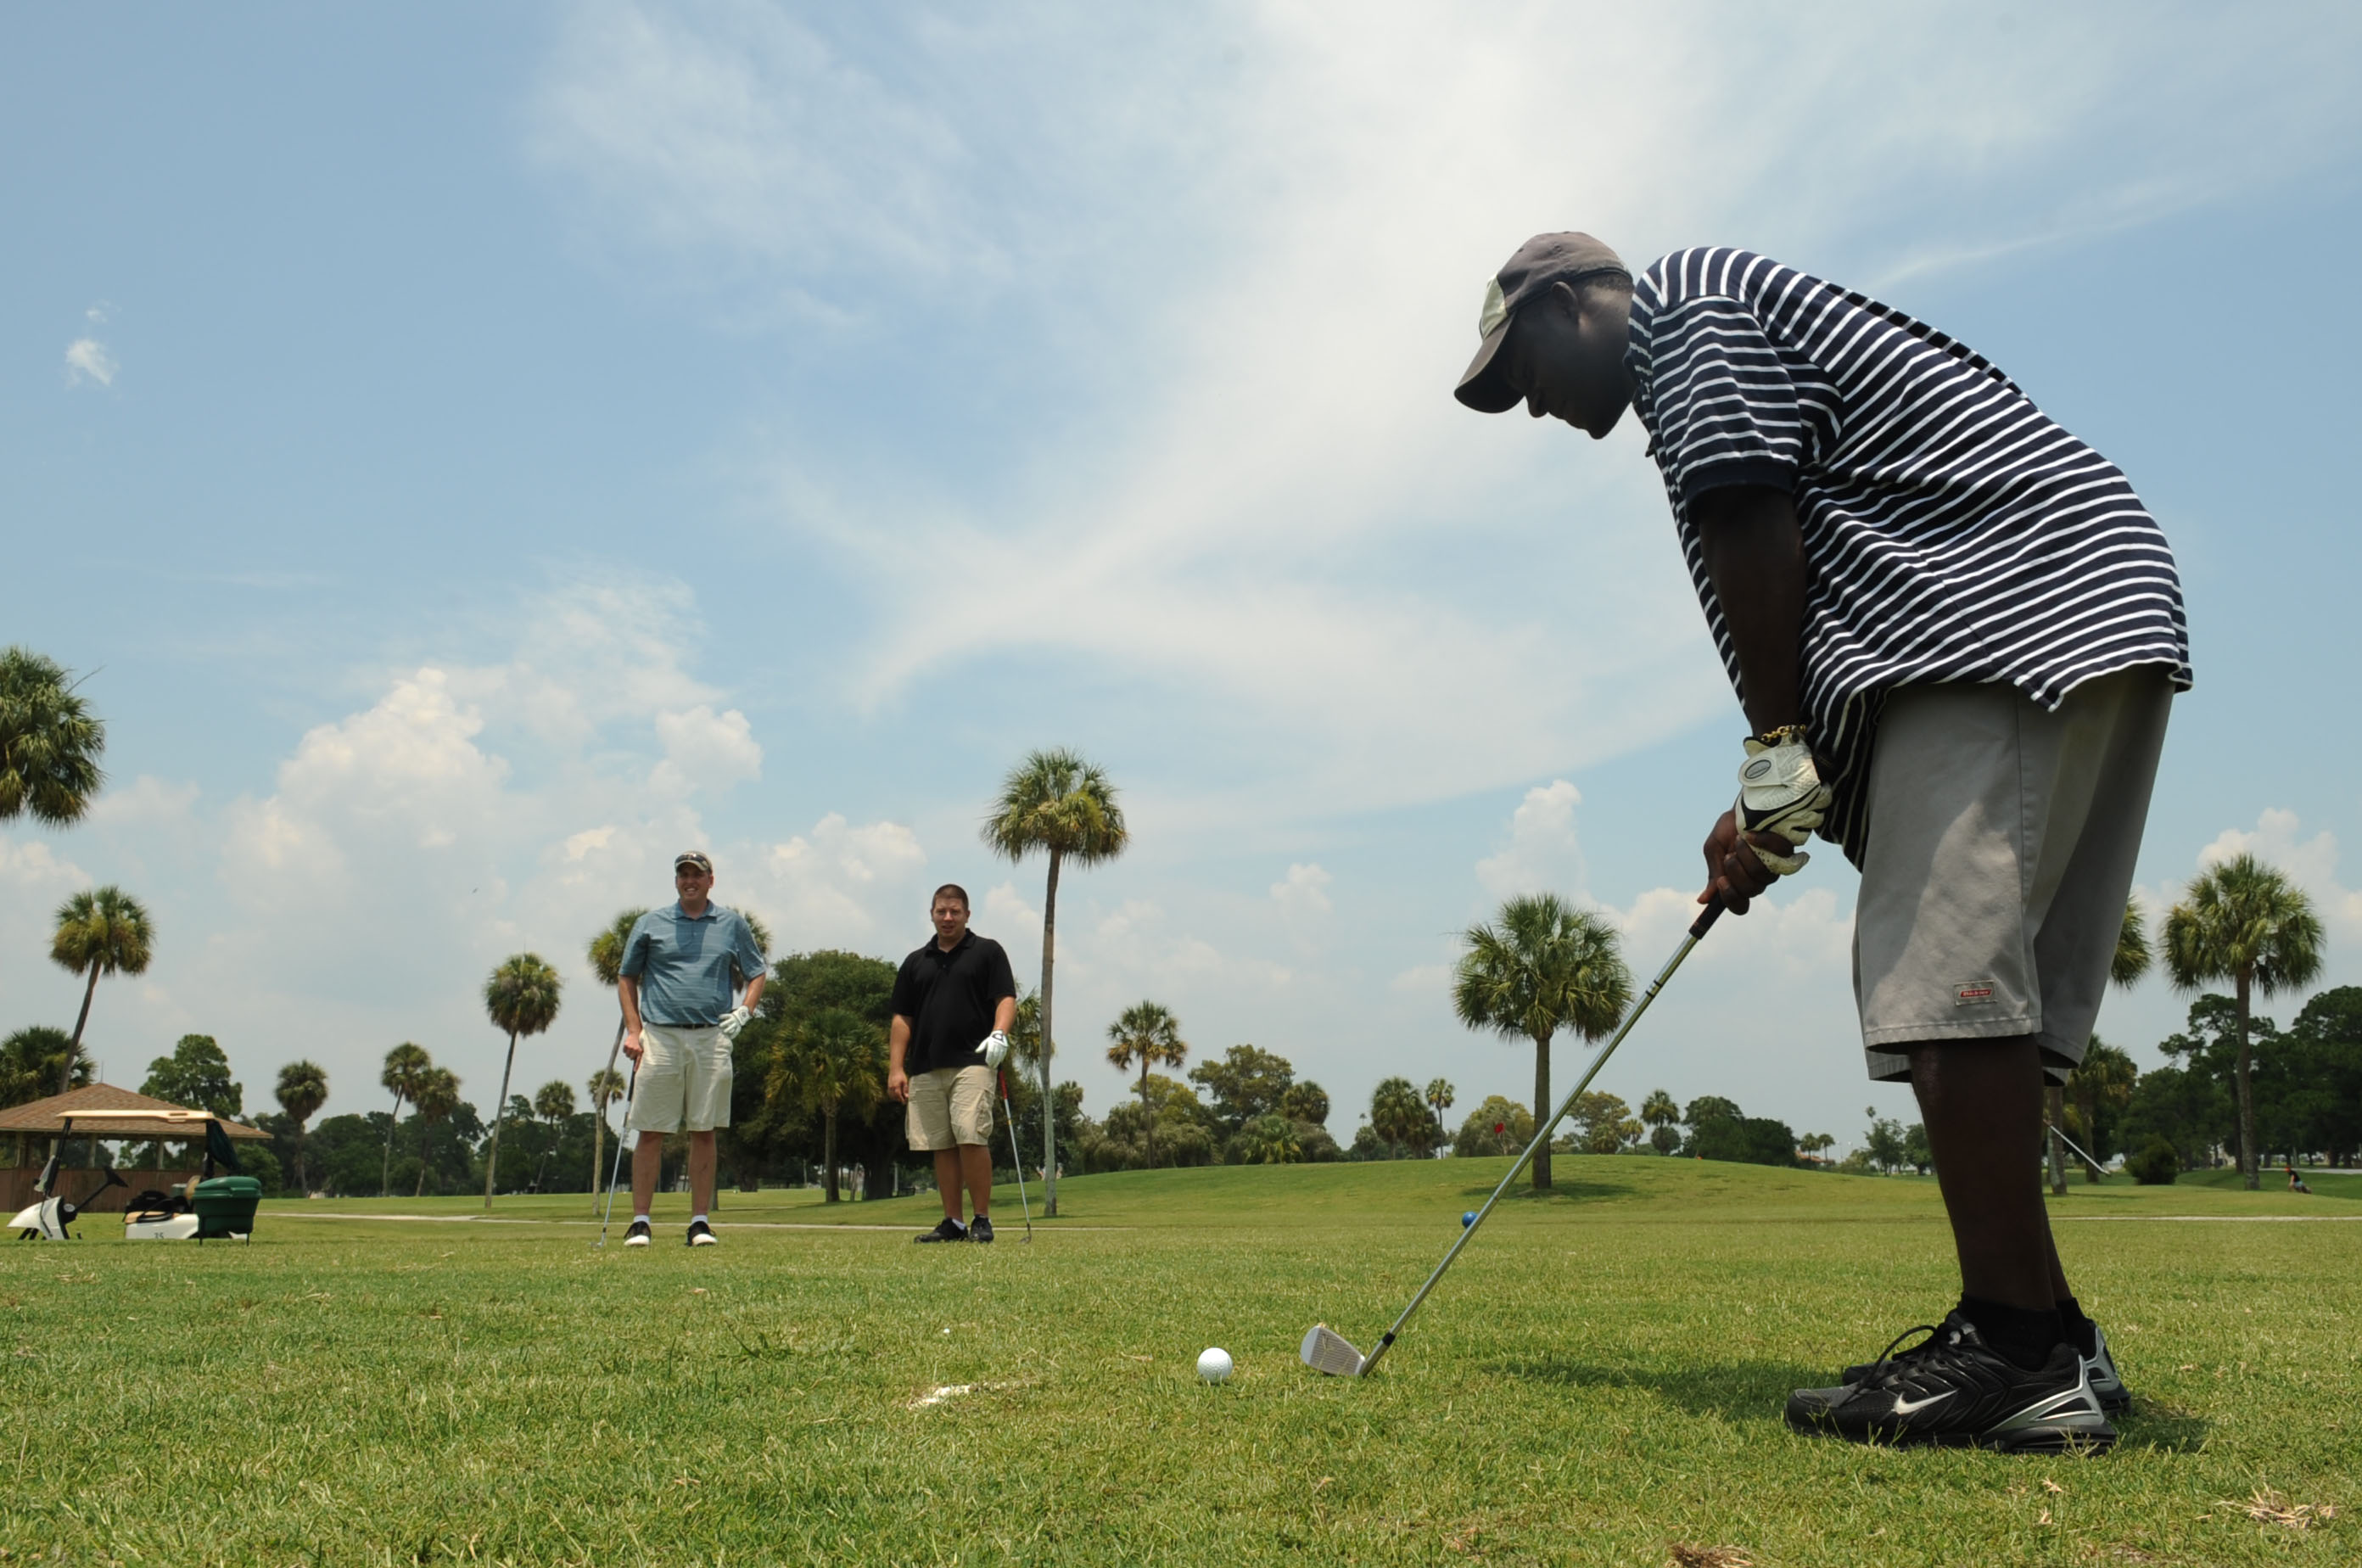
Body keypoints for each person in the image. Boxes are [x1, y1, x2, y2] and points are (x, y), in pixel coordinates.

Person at [1455, 234, 2190, 1451]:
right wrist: (1779, 798)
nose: (1524, 398)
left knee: (1938, 979)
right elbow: (1807, 565)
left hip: (2001, 604)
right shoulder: (1715, 325)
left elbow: (1753, 524)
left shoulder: (1682, 309)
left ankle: (2014, 1353)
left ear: (1572, 300)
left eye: (1518, 362)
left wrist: (1774, 775)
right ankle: (2051, 1335)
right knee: (1979, 992)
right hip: (2068, 595)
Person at [617, 851, 767, 1248]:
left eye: (696, 875)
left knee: (704, 1130)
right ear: (676, 881)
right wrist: (633, 1031)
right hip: (660, 1036)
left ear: (710, 880)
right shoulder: (651, 924)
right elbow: (627, 976)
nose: (690, 881)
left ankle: (700, 1222)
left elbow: (757, 971)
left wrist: (745, 1012)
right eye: (683, 875)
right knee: (650, 1130)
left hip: (712, 1036)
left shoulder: (731, 923)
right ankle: (641, 1222)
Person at [889, 884, 1016, 1243]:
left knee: (970, 1135)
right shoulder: (916, 962)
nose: (947, 918)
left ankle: (980, 1219)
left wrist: (999, 1033)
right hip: (926, 1066)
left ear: (967, 915)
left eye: (955, 912)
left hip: (972, 1062)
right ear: (931, 914)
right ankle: (953, 1223)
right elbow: (902, 1019)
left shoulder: (988, 952)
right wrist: (896, 1068)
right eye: (941, 911)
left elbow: (1005, 998)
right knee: (941, 1144)